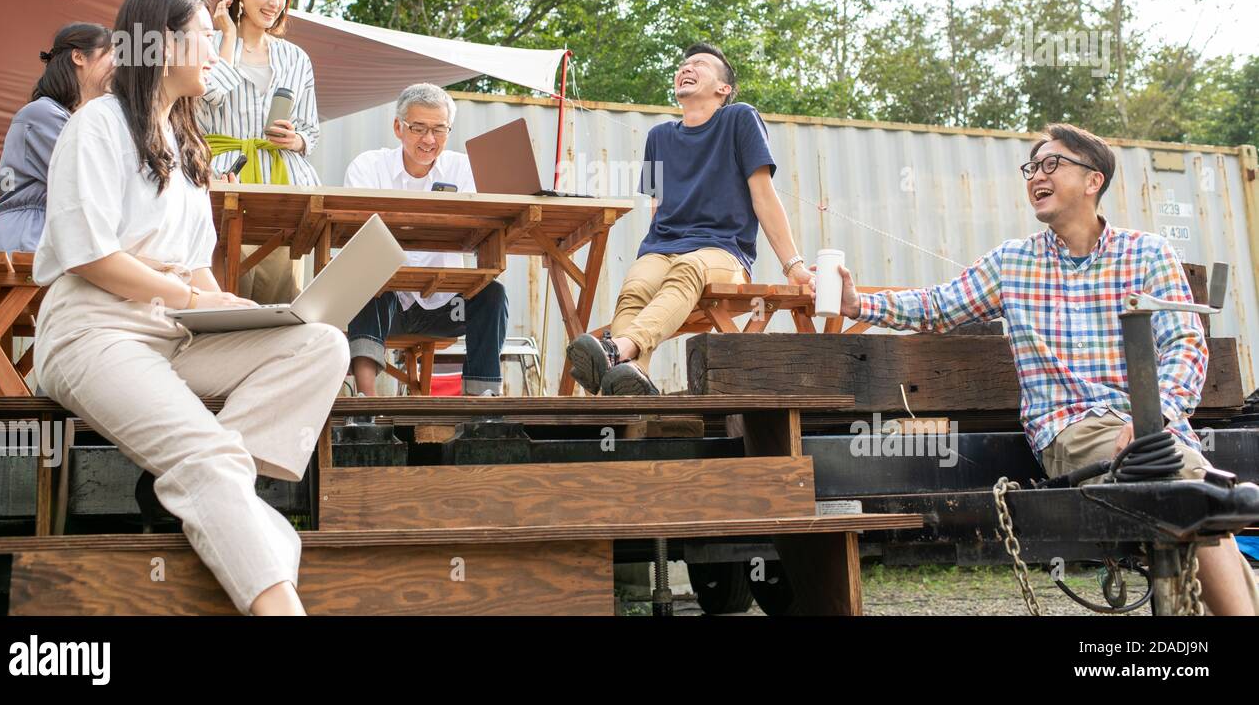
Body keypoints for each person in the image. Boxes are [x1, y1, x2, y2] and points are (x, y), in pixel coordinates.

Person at [836, 121, 1259, 616]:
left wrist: (1151, 419)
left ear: (1093, 180)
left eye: (1051, 163)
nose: (1036, 174)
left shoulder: (1149, 253)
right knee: (1199, 494)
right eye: (1031, 167)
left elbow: (1185, 344)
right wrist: (857, 303)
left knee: (1197, 493)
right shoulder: (1012, 263)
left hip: (1156, 435)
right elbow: (935, 306)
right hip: (1073, 433)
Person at [33, 0, 349, 615]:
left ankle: (184, 484)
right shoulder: (96, 125)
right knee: (208, 456)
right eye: (207, 35)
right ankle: (273, 597)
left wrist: (235, 308)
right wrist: (181, 290)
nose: (216, 49)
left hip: (175, 335)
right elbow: (92, 256)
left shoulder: (185, 146)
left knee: (317, 343)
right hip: (95, 335)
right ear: (160, 42)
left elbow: (195, 271)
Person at [565, 43, 815, 395]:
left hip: (723, 252)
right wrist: (657, 250)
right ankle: (633, 376)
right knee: (634, 289)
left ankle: (616, 352)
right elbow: (657, 206)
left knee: (689, 269)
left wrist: (794, 266)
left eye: (699, 64)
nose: (687, 68)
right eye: (683, 65)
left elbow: (764, 195)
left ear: (723, 89)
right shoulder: (657, 138)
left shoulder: (740, 118)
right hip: (663, 246)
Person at [344, 83, 509, 397]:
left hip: (444, 308)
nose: (429, 140)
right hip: (389, 307)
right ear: (398, 127)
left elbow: (486, 228)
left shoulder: (465, 169)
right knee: (368, 286)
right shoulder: (368, 168)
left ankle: (482, 408)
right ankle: (365, 406)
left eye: (439, 129)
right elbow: (359, 237)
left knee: (492, 295)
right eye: (418, 128)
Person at [200, 0, 321, 303]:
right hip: (225, 177)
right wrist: (228, 37)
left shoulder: (296, 57)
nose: (275, 3)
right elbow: (211, 92)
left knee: (280, 293)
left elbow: (310, 130)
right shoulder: (207, 46)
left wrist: (295, 139)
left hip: (282, 183)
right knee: (225, 290)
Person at [0, 23, 114, 252]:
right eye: (111, 55)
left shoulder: (66, 117)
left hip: (45, 236)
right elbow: (91, 177)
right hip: (29, 237)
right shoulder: (43, 114)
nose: (118, 67)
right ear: (79, 57)